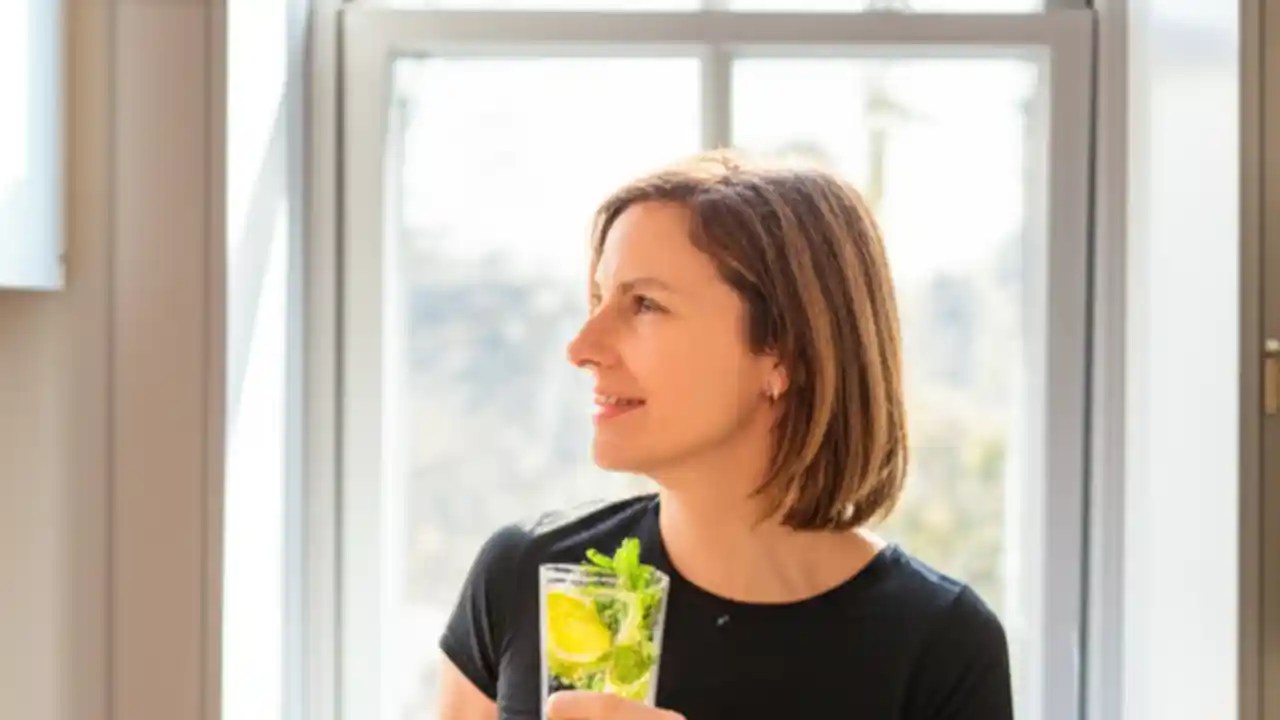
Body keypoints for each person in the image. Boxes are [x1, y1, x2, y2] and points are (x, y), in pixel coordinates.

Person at [437, 150, 1014, 720]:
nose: (582, 347)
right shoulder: (523, 576)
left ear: (786, 353)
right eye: (597, 299)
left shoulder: (941, 647)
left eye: (644, 304)